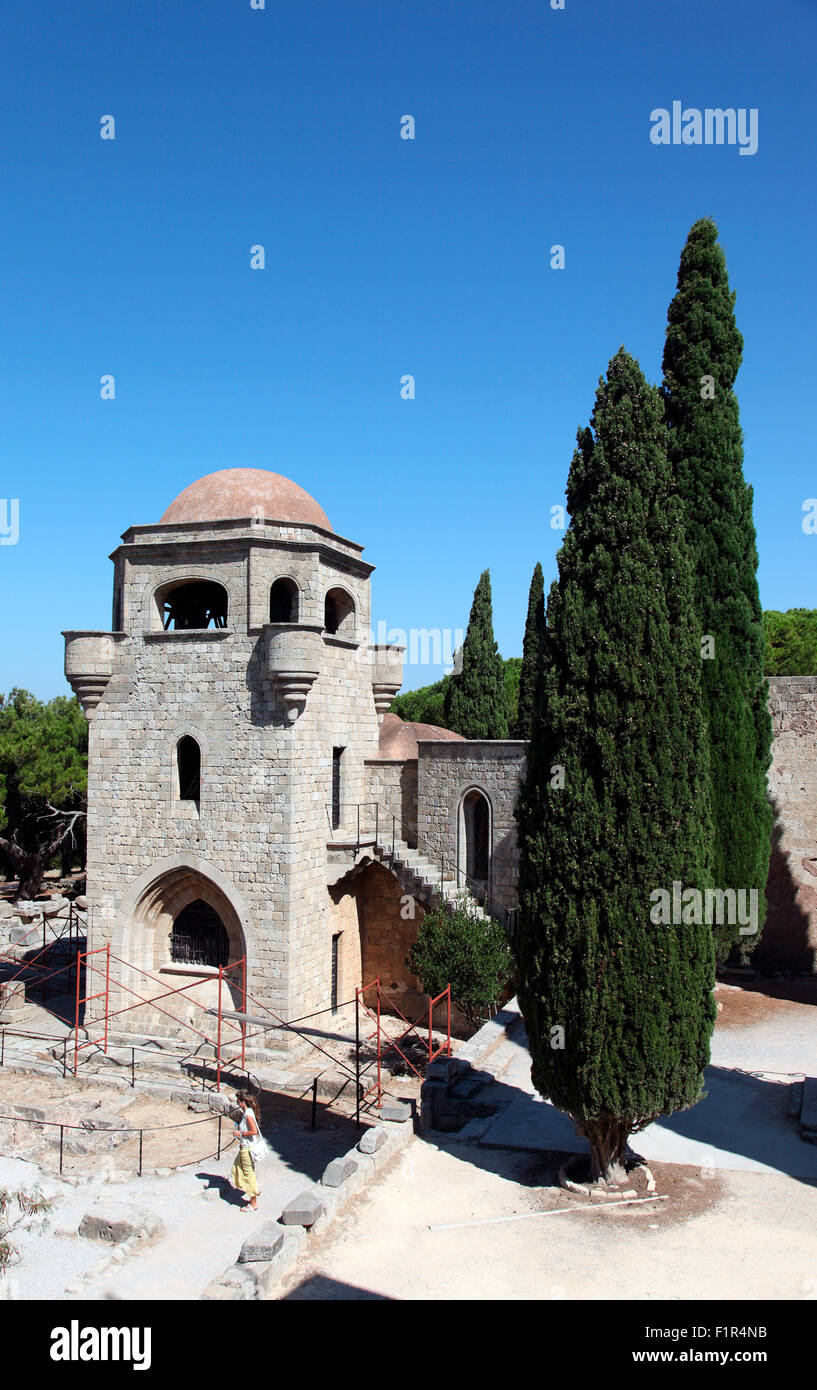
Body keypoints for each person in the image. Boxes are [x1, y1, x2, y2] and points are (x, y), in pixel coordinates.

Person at [230, 1091, 262, 1212]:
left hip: (247, 1149)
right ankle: (255, 1189)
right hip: (246, 1147)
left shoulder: (248, 1114)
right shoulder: (249, 1112)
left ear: (243, 1102)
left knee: (248, 1174)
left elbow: (254, 1131)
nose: (237, 1103)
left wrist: (240, 1133)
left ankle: (253, 1203)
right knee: (237, 1167)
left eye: (238, 1101)